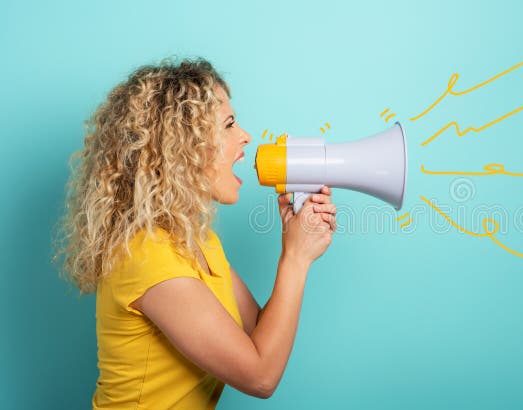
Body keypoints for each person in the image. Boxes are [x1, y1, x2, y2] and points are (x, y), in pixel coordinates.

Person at [54, 57, 337, 408]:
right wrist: (296, 258)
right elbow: (261, 376)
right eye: (229, 124)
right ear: (180, 147)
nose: (245, 136)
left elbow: (259, 335)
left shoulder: (197, 241)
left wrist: (295, 243)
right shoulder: (147, 255)